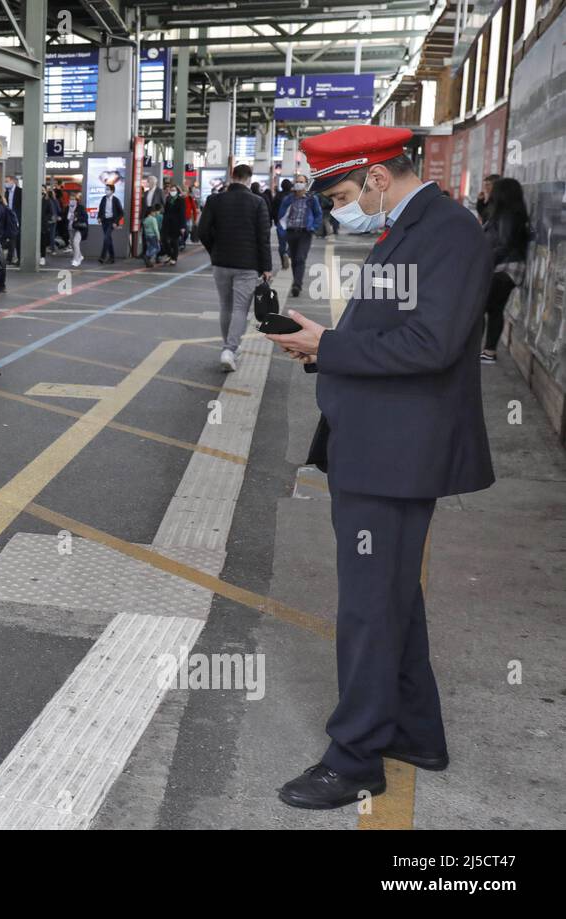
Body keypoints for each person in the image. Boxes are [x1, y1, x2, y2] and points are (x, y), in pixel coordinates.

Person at [265, 125, 494, 810]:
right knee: (395, 597)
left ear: (378, 178)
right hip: (381, 442)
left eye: (340, 192)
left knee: (368, 607)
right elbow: (396, 331)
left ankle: (355, 755)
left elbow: (431, 342)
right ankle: (417, 731)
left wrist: (329, 345)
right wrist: (322, 347)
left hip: (399, 451)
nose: (337, 207)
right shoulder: (412, 225)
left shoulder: (448, 231)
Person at [197, 163, 272, 372]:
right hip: (248, 265)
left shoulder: (215, 200)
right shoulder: (258, 202)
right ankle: (230, 349)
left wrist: (214, 250)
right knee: (240, 308)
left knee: (225, 306)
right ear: (249, 179)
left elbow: (202, 231)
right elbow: (263, 238)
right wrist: (266, 267)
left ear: (232, 176)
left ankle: (228, 348)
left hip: (221, 263)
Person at [479, 177, 530, 363]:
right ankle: (488, 352)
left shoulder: (508, 214)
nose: (489, 191)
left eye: (493, 188)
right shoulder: (508, 212)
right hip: (505, 267)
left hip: (504, 268)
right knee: (494, 310)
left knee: (481, 308)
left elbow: (504, 243)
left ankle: (484, 351)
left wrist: (487, 261)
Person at [275, 173, 322, 298]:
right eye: (297, 181)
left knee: (300, 258)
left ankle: (297, 285)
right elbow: (281, 215)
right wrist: (281, 230)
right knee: (294, 259)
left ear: (306, 184)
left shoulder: (312, 199)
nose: (299, 183)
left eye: (302, 181)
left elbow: (318, 214)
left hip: (305, 233)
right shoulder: (289, 199)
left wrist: (314, 227)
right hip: (290, 232)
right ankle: (296, 281)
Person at [97, 183, 123, 264]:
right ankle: (112, 258)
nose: (106, 191)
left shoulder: (116, 200)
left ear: (112, 191)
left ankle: (102, 257)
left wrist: (116, 222)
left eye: (108, 189)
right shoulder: (103, 199)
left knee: (106, 238)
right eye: (106, 189)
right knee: (108, 239)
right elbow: (101, 209)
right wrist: (99, 217)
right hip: (104, 221)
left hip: (112, 222)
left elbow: (121, 213)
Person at [160, 181, 185, 266]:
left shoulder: (180, 200)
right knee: (164, 239)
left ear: (177, 191)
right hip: (166, 222)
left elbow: (182, 214)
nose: (172, 191)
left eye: (174, 190)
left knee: (174, 241)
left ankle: (174, 258)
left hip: (176, 224)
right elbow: (165, 211)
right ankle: (169, 254)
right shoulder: (168, 199)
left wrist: (182, 226)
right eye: (171, 190)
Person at [1, 175, 23, 265]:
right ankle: (9, 258)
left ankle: (18, 258)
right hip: (8, 218)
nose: (6, 183)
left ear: (13, 181)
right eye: (5, 181)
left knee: (17, 239)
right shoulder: (6, 192)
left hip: (17, 218)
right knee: (10, 238)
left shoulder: (20, 192)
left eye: (7, 181)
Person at [273, 178, 293, 269]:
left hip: (279, 223)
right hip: (291, 223)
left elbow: (272, 208)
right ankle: (288, 254)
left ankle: (283, 261)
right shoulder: (292, 197)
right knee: (292, 243)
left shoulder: (278, 195)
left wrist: (274, 220)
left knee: (281, 243)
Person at [67, 193, 89, 268]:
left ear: (76, 200)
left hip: (80, 227)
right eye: (70, 199)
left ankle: (76, 260)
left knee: (76, 242)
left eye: (73, 199)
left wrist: (77, 218)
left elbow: (85, 217)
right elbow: (64, 217)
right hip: (71, 228)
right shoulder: (68, 208)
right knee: (73, 244)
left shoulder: (80, 208)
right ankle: (80, 256)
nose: (72, 201)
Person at [141, 203, 162, 268]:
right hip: (153, 236)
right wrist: (158, 237)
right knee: (157, 248)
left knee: (149, 247)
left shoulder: (145, 219)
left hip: (147, 236)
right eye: (154, 212)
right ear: (151, 212)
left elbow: (144, 228)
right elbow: (156, 229)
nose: (155, 213)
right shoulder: (153, 219)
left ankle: (148, 260)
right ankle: (147, 256)